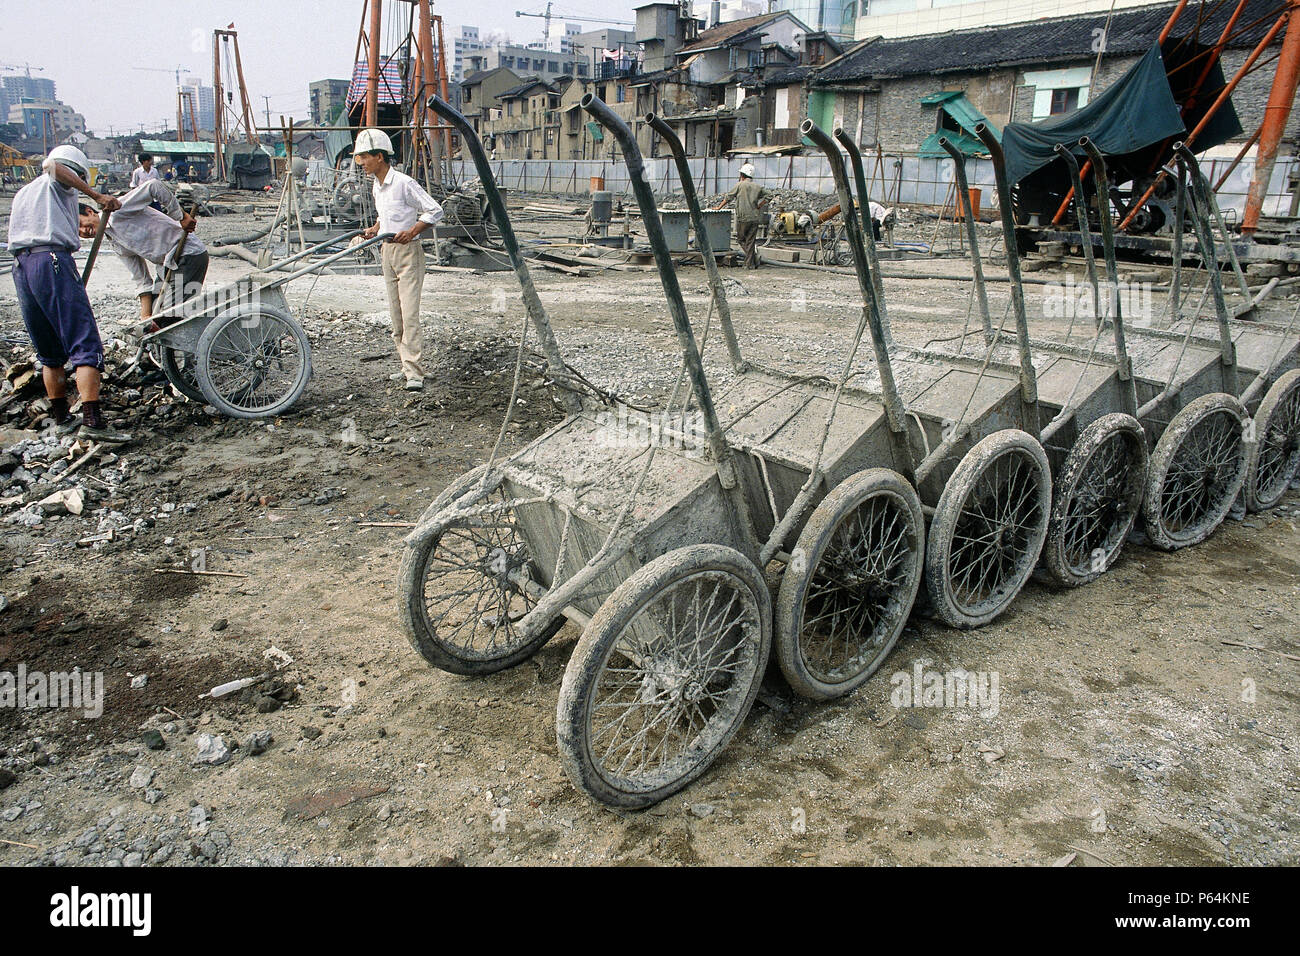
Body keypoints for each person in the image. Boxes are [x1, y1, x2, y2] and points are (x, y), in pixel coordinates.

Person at [7, 145, 130, 443]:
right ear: (75, 172)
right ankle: (92, 420)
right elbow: (53, 167)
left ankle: (62, 417)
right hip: (51, 260)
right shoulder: (56, 178)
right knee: (84, 339)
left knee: (50, 351)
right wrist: (97, 196)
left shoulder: (27, 192)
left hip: (22, 266)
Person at [353, 128, 444, 392]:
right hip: (387, 251)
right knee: (396, 314)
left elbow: (435, 210)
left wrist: (413, 230)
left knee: (409, 313)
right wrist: (375, 227)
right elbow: (387, 214)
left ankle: (414, 372)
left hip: (408, 253)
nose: (362, 163)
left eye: (365, 158)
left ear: (379, 156)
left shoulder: (404, 183)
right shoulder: (376, 186)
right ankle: (406, 366)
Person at [77, 178, 207, 328]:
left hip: (188, 253)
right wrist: (145, 317)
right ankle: (162, 349)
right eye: (78, 231)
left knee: (170, 317)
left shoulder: (118, 210)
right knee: (154, 318)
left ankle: (187, 348)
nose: (83, 231)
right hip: (168, 265)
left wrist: (181, 216)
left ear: (89, 212)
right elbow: (141, 279)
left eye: (80, 223)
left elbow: (154, 186)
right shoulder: (116, 243)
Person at [716, 162, 769, 270]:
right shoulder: (757, 186)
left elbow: (728, 197)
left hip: (743, 218)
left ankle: (752, 259)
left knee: (740, 239)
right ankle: (750, 264)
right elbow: (769, 196)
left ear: (742, 175)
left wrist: (719, 207)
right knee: (750, 241)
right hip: (754, 217)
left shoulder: (739, 185)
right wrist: (759, 205)